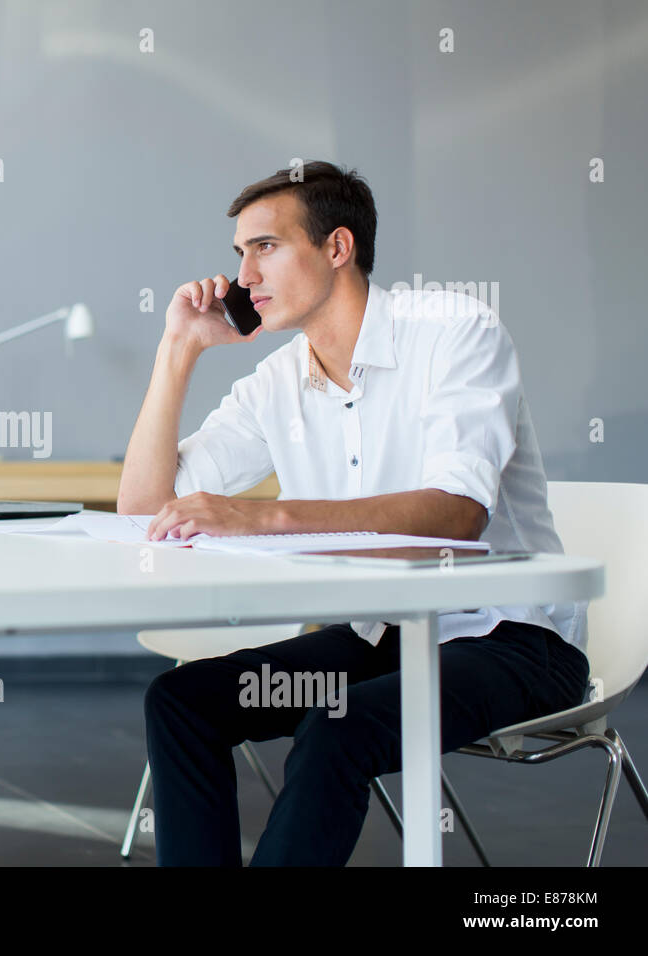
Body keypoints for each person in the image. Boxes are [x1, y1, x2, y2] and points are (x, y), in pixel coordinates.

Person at [118, 160, 590, 866]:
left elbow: (456, 516)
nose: (243, 277)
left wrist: (265, 518)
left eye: (266, 247)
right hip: (383, 640)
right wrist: (177, 350)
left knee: (340, 724)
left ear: (337, 248)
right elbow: (144, 508)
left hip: (511, 640)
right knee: (182, 702)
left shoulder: (455, 332)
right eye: (239, 254)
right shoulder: (276, 382)